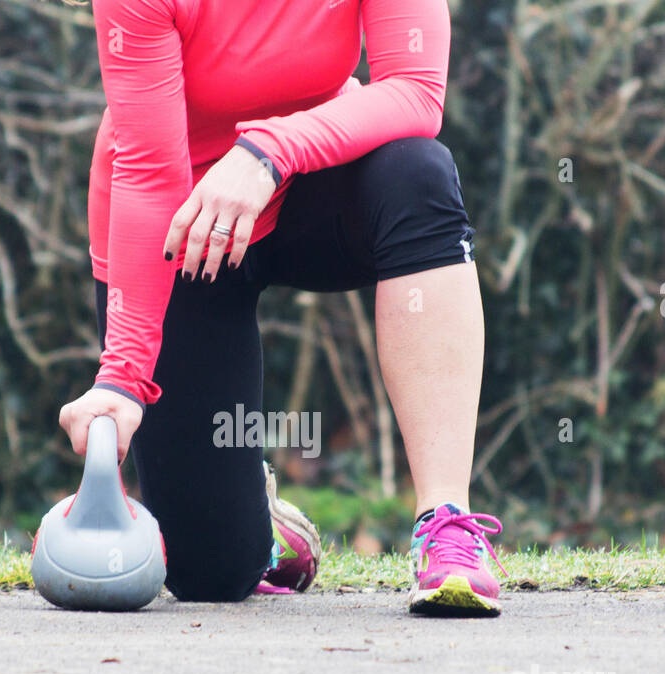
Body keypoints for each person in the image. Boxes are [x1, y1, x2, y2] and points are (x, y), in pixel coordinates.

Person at [57, 0, 506, 615]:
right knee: (212, 575)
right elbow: (148, 171)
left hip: (313, 175)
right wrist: (123, 375)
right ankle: (257, 516)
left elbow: (415, 91)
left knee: (419, 173)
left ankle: (448, 526)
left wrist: (269, 150)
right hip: (185, 221)